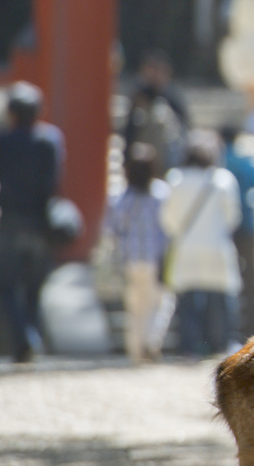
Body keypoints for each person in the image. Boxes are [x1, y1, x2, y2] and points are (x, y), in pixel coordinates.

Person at [0, 81, 59, 361]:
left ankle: (24, 341)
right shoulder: (50, 140)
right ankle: (30, 341)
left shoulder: (2, 139)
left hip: (10, 221)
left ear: (11, 112)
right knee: (33, 290)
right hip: (40, 222)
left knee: (4, 286)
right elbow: (53, 182)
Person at [162, 133, 242, 357]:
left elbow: (167, 219)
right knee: (219, 300)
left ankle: (189, 346)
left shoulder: (175, 179)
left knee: (187, 301)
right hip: (217, 245)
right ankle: (221, 344)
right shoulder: (223, 180)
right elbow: (232, 217)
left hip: (186, 246)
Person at [103, 142, 170, 362]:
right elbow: (168, 228)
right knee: (160, 303)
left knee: (134, 309)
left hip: (129, 260)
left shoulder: (120, 198)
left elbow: (110, 229)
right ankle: (151, 341)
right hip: (156, 259)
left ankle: (135, 353)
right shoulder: (161, 195)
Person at [219, 124, 254, 334]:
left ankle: (226, 327)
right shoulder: (246, 161)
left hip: (223, 228)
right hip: (248, 225)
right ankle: (251, 326)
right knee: (249, 277)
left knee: (225, 277)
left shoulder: (218, 162)